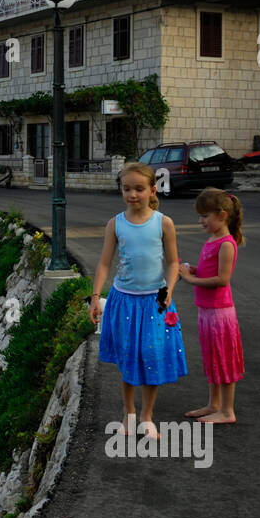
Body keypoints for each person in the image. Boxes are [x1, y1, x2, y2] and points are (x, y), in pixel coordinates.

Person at [89, 161, 187, 439]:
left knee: (152, 356)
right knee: (129, 357)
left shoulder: (163, 223)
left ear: (152, 189)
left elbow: (172, 262)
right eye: (127, 189)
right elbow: (105, 263)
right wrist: (96, 296)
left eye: (139, 189)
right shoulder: (115, 224)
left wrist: (168, 290)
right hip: (124, 301)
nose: (132, 194)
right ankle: (129, 412)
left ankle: (147, 415)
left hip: (154, 302)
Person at [178, 188, 245, 425]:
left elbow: (222, 280)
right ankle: (214, 404)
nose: (200, 220)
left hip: (220, 313)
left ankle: (227, 411)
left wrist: (190, 279)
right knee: (212, 357)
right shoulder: (212, 240)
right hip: (206, 311)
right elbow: (210, 271)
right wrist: (193, 269)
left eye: (205, 215)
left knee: (224, 358)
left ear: (222, 215)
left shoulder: (226, 244)